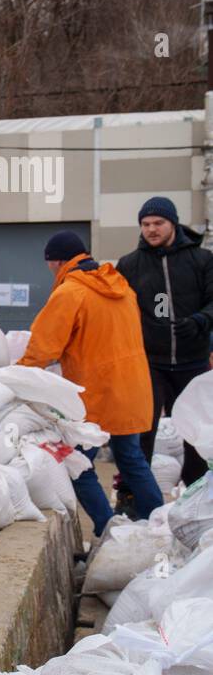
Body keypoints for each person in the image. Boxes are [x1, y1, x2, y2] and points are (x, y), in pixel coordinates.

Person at [17, 231, 163, 535]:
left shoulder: (71, 292)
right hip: (133, 389)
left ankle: (107, 528)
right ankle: (159, 527)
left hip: (95, 395)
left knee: (78, 465)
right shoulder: (122, 287)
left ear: (57, 262)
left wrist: (15, 378)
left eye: (50, 265)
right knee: (132, 459)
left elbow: (43, 348)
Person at [116, 196, 213, 500]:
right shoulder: (130, 264)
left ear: (173, 223)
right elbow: (121, 311)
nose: (152, 229)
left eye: (158, 223)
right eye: (146, 224)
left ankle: (197, 495)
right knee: (143, 430)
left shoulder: (202, 260)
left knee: (194, 431)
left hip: (192, 360)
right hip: (150, 361)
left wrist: (200, 320)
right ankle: (132, 497)